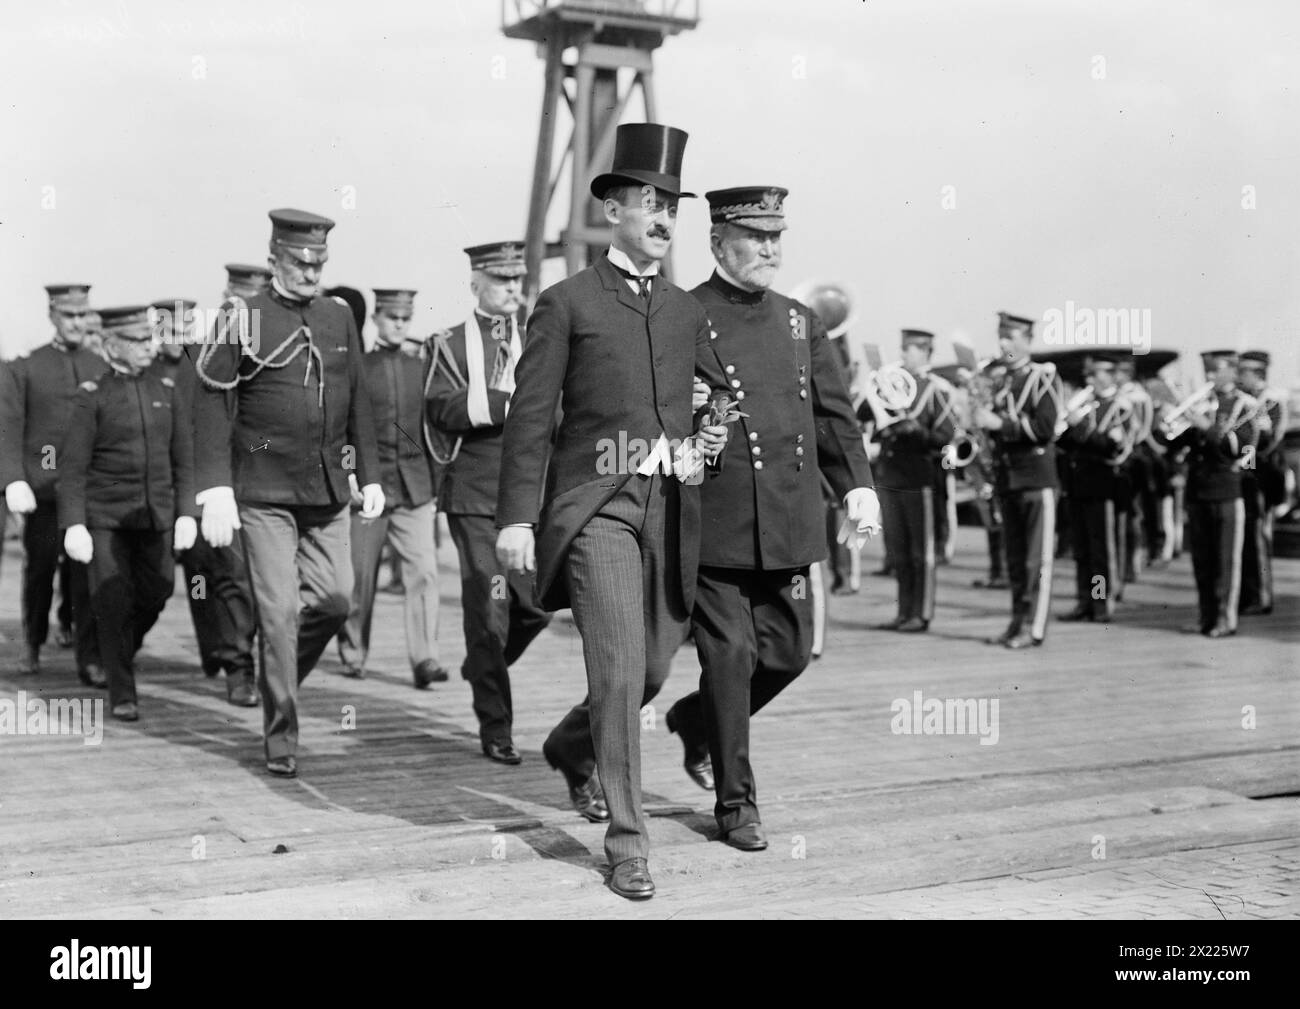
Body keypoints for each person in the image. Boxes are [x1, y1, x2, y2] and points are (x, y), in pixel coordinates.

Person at [495, 123, 729, 900]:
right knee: (621, 668)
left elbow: (716, 396)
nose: (663, 218)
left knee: (652, 668)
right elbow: (530, 418)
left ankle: (572, 742)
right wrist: (516, 518)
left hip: (670, 506)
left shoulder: (685, 310)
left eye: (672, 207)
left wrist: (712, 432)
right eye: (649, 203)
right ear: (613, 211)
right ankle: (628, 842)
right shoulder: (566, 303)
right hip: (597, 507)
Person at [661, 185, 877, 851]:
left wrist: (858, 487)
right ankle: (736, 805)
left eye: (775, 237)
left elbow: (833, 415)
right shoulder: (683, 314)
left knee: (788, 653)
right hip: (717, 521)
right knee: (731, 659)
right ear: (718, 242)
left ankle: (694, 719)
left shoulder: (798, 321)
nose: (769, 249)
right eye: (755, 237)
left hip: (788, 521)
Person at [192, 208, 382, 778]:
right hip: (264, 491)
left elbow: (359, 398)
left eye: (319, 263)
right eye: (300, 263)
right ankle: (281, 736)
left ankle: (277, 672)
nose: (310, 272)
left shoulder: (338, 315)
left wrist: (369, 472)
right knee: (277, 616)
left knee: (336, 600)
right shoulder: (243, 315)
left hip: (326, 489)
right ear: (274, 258)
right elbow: (211, 401)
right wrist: (215, 487)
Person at [426, 243, 552, 764]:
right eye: (501, 280)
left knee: (535, 609)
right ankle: (496, 726)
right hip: (475, 495)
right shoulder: (450, 342)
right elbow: (440, 407)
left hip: (529, 497)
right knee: (488, 611)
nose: (512, 289)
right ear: (476, 283)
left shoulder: (540, 338)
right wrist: (512, 401)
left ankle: (482, 666)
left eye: (516, 280)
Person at [58, 306, 197, 720]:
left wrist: (186, 513)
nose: (147, 347)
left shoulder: (166, 391)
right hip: (106, 519)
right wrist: (74, 524)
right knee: (113, 599)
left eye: (148, 338)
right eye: (136, 340)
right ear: (110, 345)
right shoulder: (92, 396)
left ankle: (112, 651)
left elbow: (184, 460)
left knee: (159, 590)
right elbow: (72, 468)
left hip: (155, 516)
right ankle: (122, 691)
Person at [335, 288, 448, 687]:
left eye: (405, 318)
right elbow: (343, 427)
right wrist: (350, 475)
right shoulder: (359, 368)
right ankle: (353, 653)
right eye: (392, 317)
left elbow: (434, 431)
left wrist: (436, 487)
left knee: (425, 572)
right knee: (359, 577)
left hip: (415, 488)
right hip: (369, 490)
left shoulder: (422, 368)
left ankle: (426, 659)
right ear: (376, 319)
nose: (399, 325)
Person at [151, 299, 258, 707]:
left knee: (229, 574)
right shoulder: (144, 373)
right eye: (169, 331)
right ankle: (211, 647)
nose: (177, 338)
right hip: (158, 496)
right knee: (192, 581)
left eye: (184, 330)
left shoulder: (206, 367)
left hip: (206, 489)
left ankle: (237, 665)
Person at [0, 284, 105, 683]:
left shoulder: (100, 366)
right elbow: (10, 425)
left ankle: (86, 652)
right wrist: (14, 479)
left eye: (82, 315)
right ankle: (32, 640)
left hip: (88, 492)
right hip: (43, 492)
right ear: (53, 316)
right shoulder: (29, 367)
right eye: (69, 315)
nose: (76, 323)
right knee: (40, 569)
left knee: (85, 572)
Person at [976, 312, 1064, 649]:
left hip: (1035, 478)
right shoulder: (1000, 380)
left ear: (1028, 341)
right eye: (1001, 337)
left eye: (1011, 338)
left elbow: (1045, 428)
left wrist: (1000, 425)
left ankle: (1033, 627)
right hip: (1008, 479)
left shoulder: (1043, 377)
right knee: (1014, 560)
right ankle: (1016, 623)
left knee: (1035, 561)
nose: (1003, 344)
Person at [1160, 350, 1259, 637]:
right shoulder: (1204, 403)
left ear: (1233, 372)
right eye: (1208, 371)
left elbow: (1240, 449)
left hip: (1226, 490)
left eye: (1217, 370)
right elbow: (1176, 444)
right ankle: (1206, 617)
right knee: (1202, 561)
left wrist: (1208, 428)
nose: (1211, 376)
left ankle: (1225, 619)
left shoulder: (1245, 405)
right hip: (1199, 490)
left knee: (1226, 561)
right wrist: (1171, 422)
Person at [869, 329, 955, 633]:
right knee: (900, 552)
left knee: (921, 552)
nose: (904, 354)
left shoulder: (934, 389)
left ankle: (921, 613)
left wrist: (915, 430)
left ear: (925, 352)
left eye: (910, 349)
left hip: (919, 478)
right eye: (904, 348)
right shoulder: (891, 382)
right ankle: (904, 612)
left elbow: (945, 436)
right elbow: (867, 414)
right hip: (891, 476)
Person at [1057, 352, 1136, 622]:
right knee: (1082, 550)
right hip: (1078, 484)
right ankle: (1084, 601)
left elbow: (1113, 447)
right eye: (1088, 375)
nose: (1089, 380)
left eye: (1095, 374)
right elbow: (1065, 444)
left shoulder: (1120, 406)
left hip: (1103, 485)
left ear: (1110, 375)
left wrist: (1079, 427)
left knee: (1100, 550)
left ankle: (1101, 601)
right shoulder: (1087, 404)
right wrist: (1065, 425)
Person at [1237, 350, 1288, 616]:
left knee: (1258, 538)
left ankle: (1261, 596)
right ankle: (1249, 593)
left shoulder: (1271, 401)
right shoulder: (1246, 399)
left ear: (1257, 374)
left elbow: (1268, 443)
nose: (1239, 377)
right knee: (1247, 538)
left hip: (1262, 478)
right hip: (1247, 477)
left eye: (1243, 372)